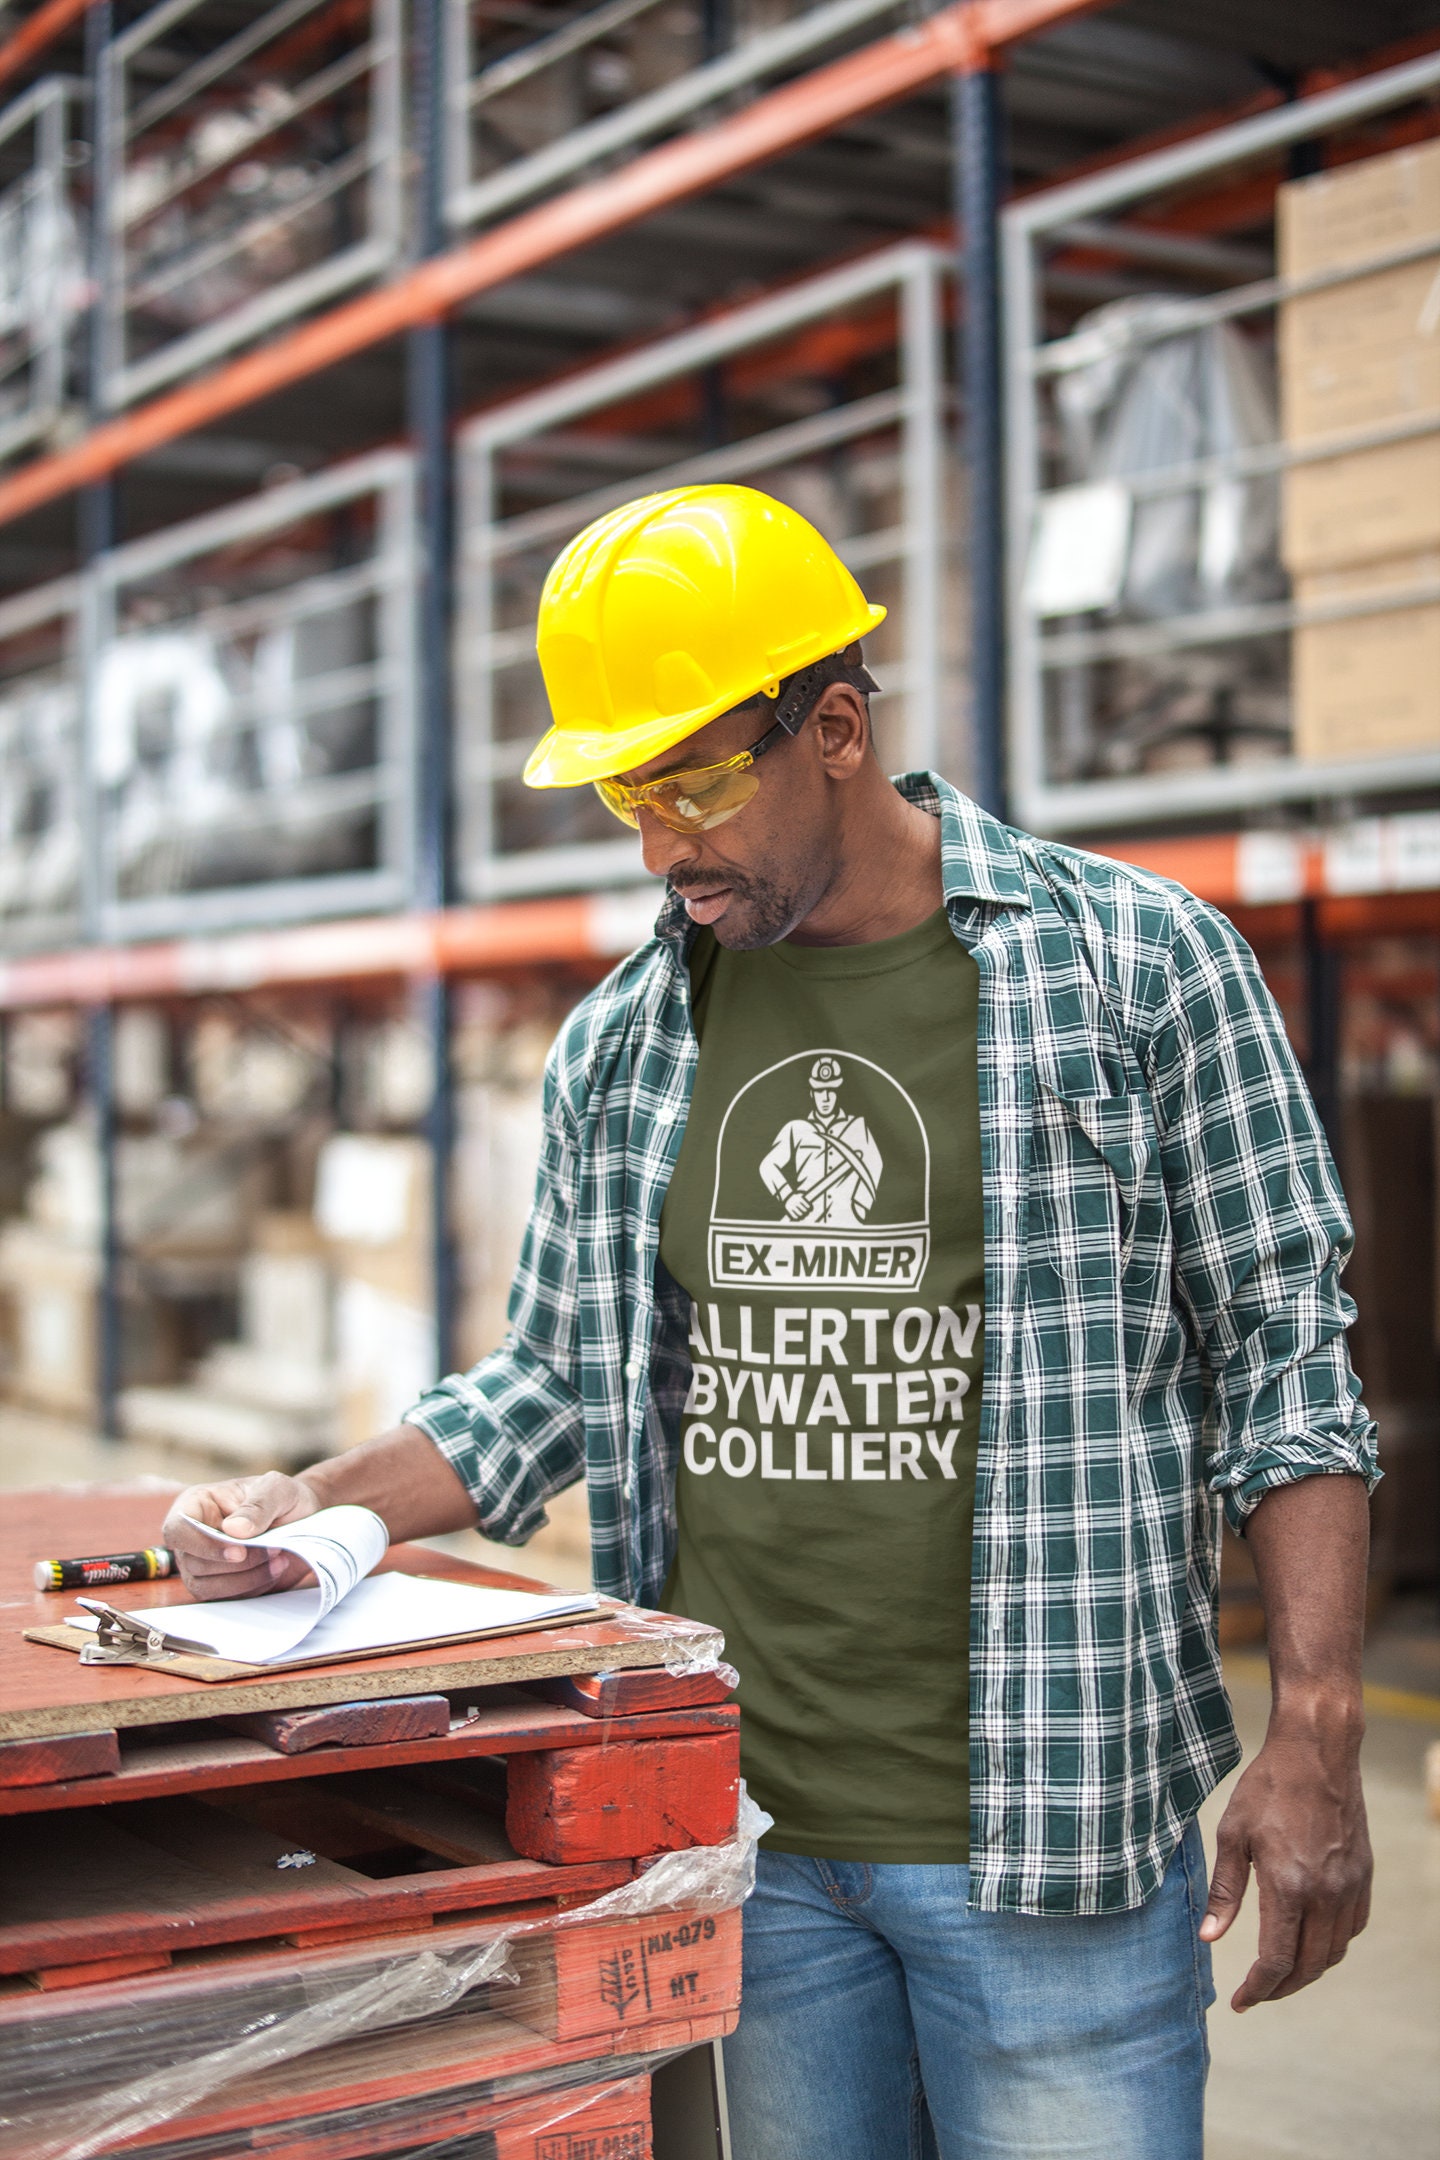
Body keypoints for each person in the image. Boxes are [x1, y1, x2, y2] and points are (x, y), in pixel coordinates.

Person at [165, 484, 1378, 2160]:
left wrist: (1316, 1729)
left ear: (833, 726)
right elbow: (552, 1382)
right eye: (626, 794)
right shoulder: (624, 1041)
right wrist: (318, 1503)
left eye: (693, 783)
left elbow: (1287, 1358)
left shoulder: (1138, 969)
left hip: (1054, 1835)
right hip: (747, 1835)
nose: (663, 847)